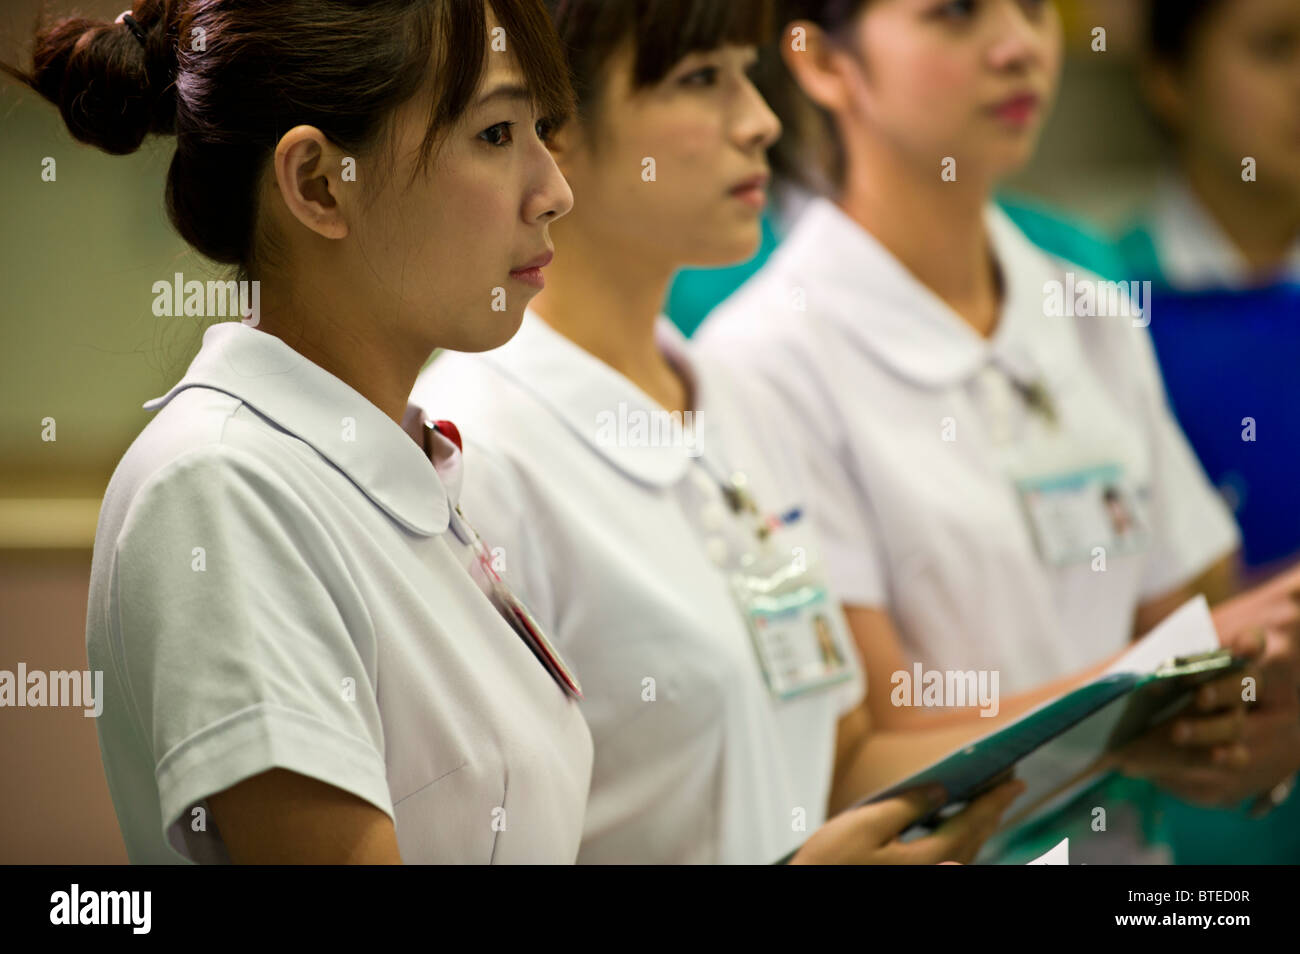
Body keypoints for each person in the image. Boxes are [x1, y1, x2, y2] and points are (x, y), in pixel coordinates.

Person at [412, 0, 1024, 864]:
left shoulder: (736, 395)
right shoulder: (478, 451)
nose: (762, 121)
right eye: (702, 81)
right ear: (554, 131)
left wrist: (1115, 717)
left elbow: (841, 758)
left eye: (748, 73)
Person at [695, 0, 1298, 862]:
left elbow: (1199, 619)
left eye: (1031, 8)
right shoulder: (764, 361)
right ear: (826, 64)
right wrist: (1129, 712)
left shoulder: (1087, 311)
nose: (1018, 47)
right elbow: (864, 759)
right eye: (955, 13)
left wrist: (1250, 719)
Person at [6, 0, 590, 865]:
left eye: (541, 128)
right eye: (497, 134)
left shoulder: (391, 467)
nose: (554, 191)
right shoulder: (222, 489)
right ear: (319, 184)